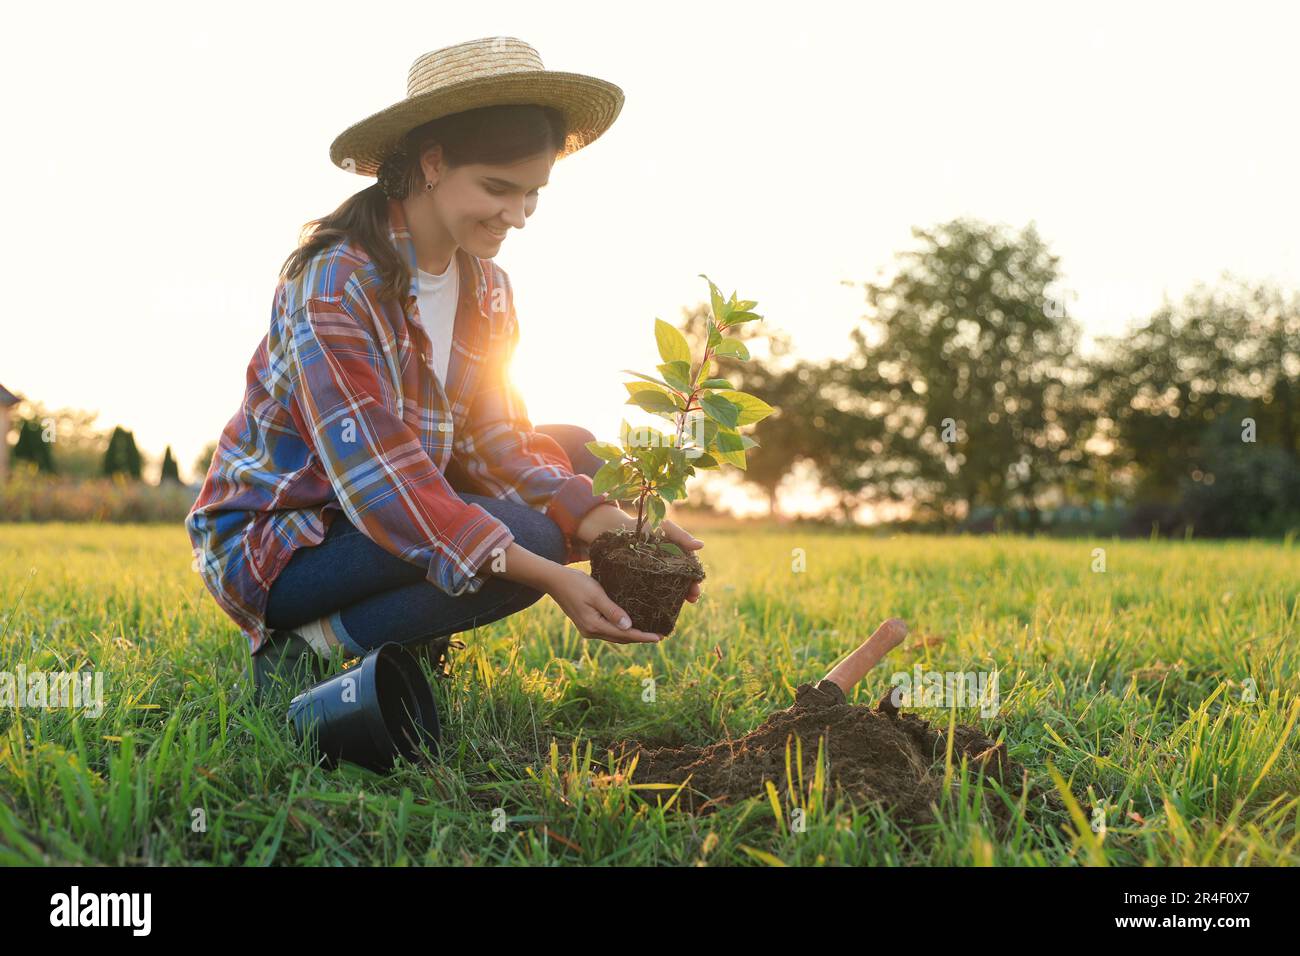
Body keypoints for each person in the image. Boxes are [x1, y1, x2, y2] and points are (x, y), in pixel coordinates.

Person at [185, 38, 703, 701]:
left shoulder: (489, 290)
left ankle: (410, 634)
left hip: (377, 507)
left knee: (576, 452)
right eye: (497, 188)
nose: (517, 217)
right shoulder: (336, 282)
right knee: (529, 539)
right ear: (432, 163)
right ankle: (302, 651)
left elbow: (500, 444)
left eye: (532, 195)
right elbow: (378, 479)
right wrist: (550, 574)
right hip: (287, 537)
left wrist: (619, 526)